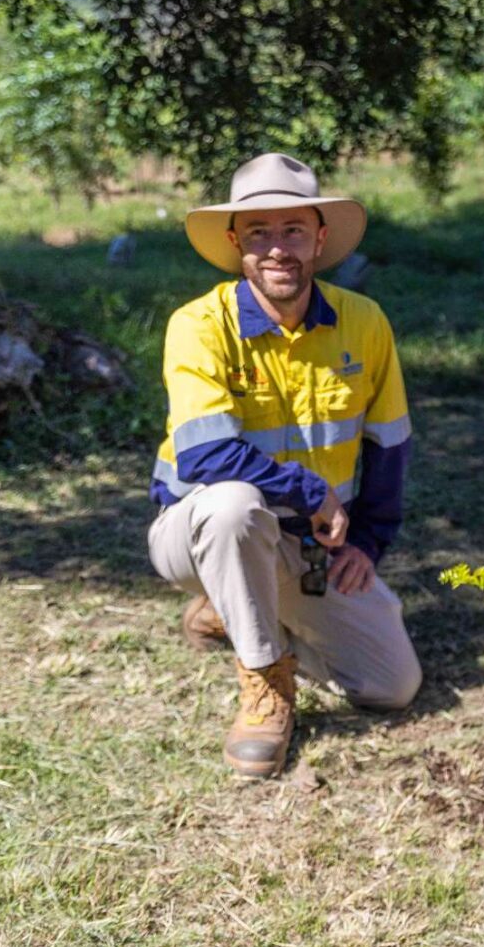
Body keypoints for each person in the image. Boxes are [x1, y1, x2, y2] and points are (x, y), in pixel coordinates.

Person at [147, 152, 421, 779]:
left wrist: (369, 544)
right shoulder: (197, 325)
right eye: (260, 233)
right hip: (194, 532)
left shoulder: (365, 321)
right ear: (235, 242)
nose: (278, 250)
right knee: (232, 504)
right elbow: (203, 453)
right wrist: (315, 493)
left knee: (392, 686)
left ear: (320, 238)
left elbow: (389, 444)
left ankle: (237, 608)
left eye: (293, 231)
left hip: (306, 545)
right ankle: (266, 681)